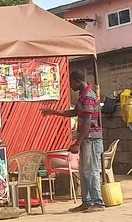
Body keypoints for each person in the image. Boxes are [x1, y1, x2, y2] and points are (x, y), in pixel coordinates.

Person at [41, 70, 105, 213]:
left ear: (77, 81)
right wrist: (54, 112)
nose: (70, 86)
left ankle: (98, 203)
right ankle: (87, 201)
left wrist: (77, 143)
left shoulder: (88, 96)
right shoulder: (83, 96)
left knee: (92, 170)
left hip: (91, 139)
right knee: (84, 171)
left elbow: (88, 122)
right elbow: (75, 112)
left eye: (71, 83)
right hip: (86, 139)